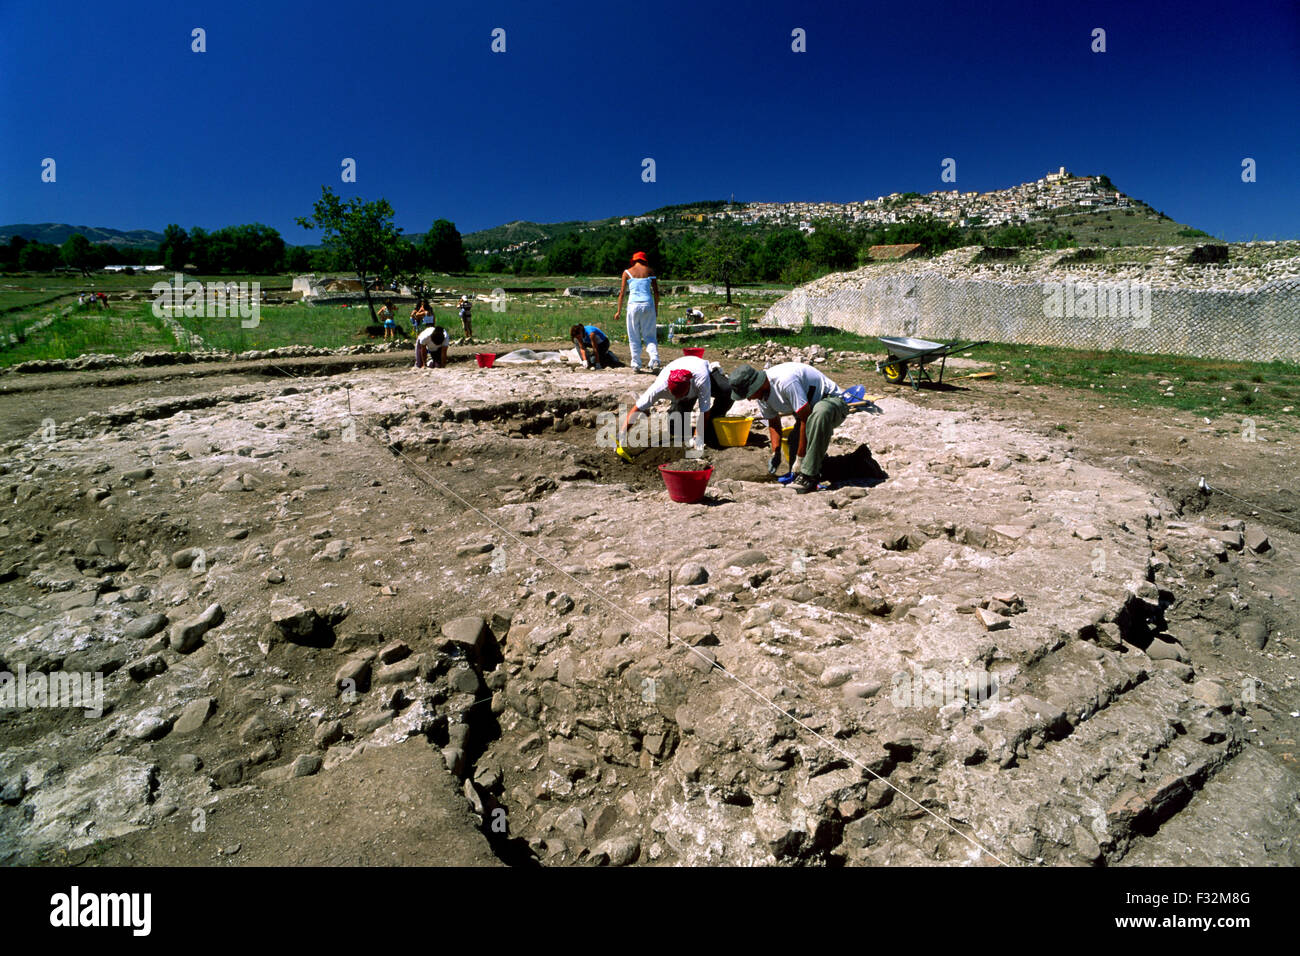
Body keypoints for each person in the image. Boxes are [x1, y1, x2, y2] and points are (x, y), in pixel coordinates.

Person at [729, 362, 850, 494]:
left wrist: (800, 457)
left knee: (818, 416)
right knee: (795, 443)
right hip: (808, 411)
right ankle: (858, 463)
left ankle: (808, 477)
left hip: (831, 403)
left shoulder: (785, 382)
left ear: (756, 386)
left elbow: (805, 418)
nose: (749, 399)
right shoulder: (762, 395)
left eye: (749, 394)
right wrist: (776, 452)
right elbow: (773, 422)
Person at [617, 355, 732, 459]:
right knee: (675, 428)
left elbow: (704, 411)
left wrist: (698, 437)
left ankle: (712, 425)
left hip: (706, 373)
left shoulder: (701, 380)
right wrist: (622, 434)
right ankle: (690, 422)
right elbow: (637, 408)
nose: (676, 398)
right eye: (674, 395)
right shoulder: (659, 387)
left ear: (688, 386)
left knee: (728, 391)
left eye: (680, 395)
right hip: (685, 388)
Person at [615, 251, 660, 374]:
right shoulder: (650, 271)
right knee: (650, 335)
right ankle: (655, 359)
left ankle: (636, 363)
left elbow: (622, 293)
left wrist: (618, 311)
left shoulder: (627, 272)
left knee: (634, 335)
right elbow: (656, 293)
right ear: (644, 260)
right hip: (648, 305)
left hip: (633, 306)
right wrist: (656, 309)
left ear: (634, 260)